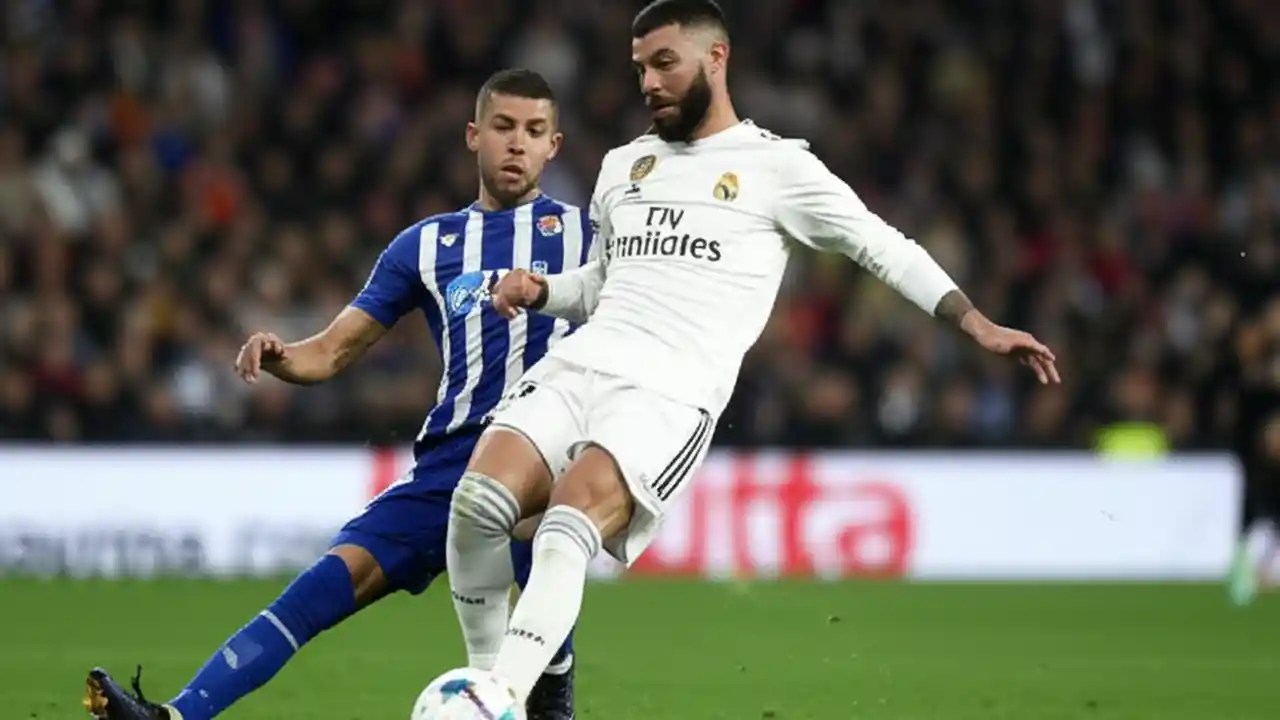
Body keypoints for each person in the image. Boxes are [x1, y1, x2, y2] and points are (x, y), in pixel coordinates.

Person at [443, 0, 1061, 703]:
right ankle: (488, 686)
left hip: (667, 394)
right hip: (584, 362)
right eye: (640, 67)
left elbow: (881, 245)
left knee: (566, 524)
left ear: (716, 58)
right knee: (477, 502)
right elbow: (603, 284)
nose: (648, 82)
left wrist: (975, 322)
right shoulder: (623, 166)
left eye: (665, 63)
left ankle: (488, 704)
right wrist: (542, 289)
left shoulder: (776, 167)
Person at [83, 68, 587, 720]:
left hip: (544, 453)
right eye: (503, 127)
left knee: (537, 552)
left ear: (555, 145)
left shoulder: (588, 236)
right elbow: (335, 348)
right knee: (328, 581)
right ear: (473, 136)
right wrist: (282, 355)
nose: (517, 144)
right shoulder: (427, 246)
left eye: (534, 131)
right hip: (448, 467)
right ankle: (176, 715)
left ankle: (554, 691)